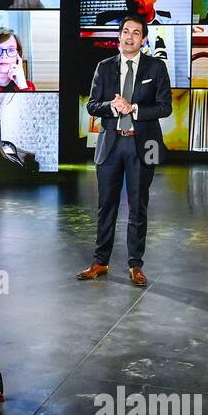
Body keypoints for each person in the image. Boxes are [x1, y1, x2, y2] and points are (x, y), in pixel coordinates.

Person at [78, 15, 173, 287]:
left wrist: (134, 109)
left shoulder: (155, 67)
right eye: (125, 31)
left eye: (136, 33)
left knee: (137, 206)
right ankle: (100, 262)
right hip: (111, 144)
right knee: (105, 205)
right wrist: (112, 106)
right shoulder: (104, 67)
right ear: (119, 36)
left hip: (143, 145)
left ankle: (135, 265)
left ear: (143, 39)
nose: (129, 37)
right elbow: (92, 105)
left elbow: (165, 107)